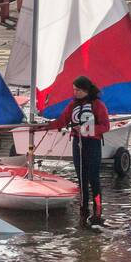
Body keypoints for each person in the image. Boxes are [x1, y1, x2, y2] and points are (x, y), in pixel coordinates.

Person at [49, 75, 111, 227]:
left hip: (93, 144)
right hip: (78, 144)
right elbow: (62, 120)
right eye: (73, 90)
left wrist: (85, 129)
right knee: (81, 179)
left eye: (77, 90)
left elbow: (105, 126)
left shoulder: (98, 105)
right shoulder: (72, 105)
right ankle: (83, 210)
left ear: (85, 90)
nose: (74, 93)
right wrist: (44, 127)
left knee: (93, 179)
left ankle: (98, 210)